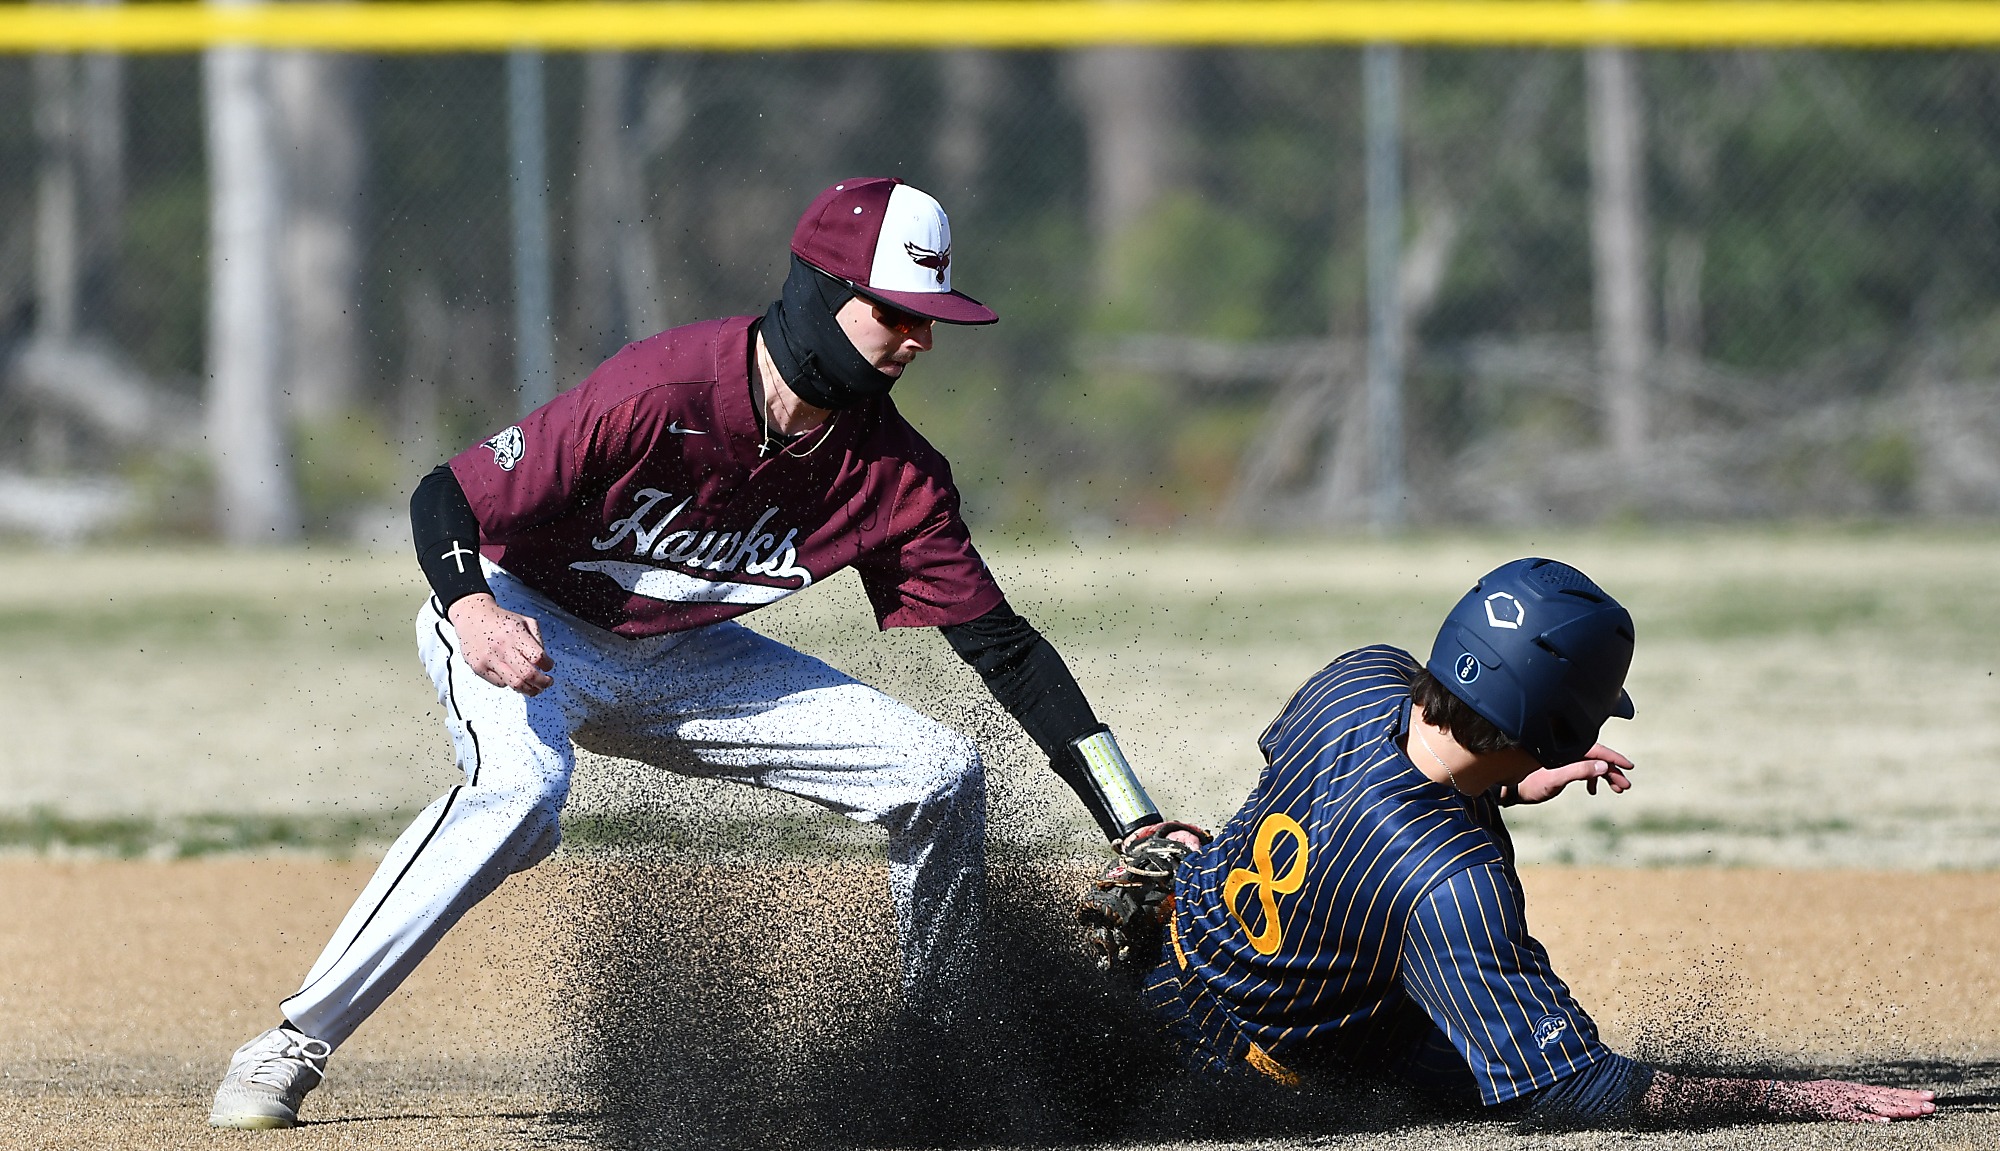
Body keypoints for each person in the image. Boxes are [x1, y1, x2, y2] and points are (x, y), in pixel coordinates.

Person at [209, 177, 1198, 1130]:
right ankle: (293, 1041)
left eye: (926, 315)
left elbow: (1007, 651)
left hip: (685, 659)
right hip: (525, 618)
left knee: (938, 771)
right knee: (522, 792)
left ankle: (935, 1056)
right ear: (820, 291)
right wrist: (469, 605)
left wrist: (1133, 814)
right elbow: (446, 496)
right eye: (894, 311)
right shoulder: (663, 385)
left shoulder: (893, 475)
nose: (919, 337)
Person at [1135, 557, 1935, 1129]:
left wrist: (1511, 781)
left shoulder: (1359, 676)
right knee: (1520, 1060)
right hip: (1240, 1074)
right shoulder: (1454, 881)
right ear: (1555, 728)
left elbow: (1347, 794)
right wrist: (1793, 1097)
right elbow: (1578, 1091)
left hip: (1167, 952)